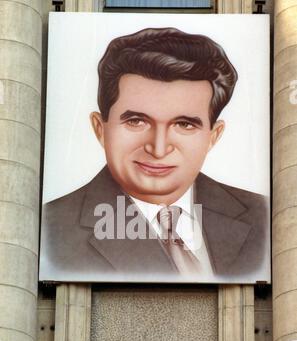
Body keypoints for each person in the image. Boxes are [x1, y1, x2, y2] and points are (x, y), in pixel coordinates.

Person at [41, 27, 268, 282]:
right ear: (99, 129)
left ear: (213, 137)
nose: (158, 149)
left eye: (184, 125)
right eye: (137, 121)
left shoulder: (263, 216)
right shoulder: (50, 229)